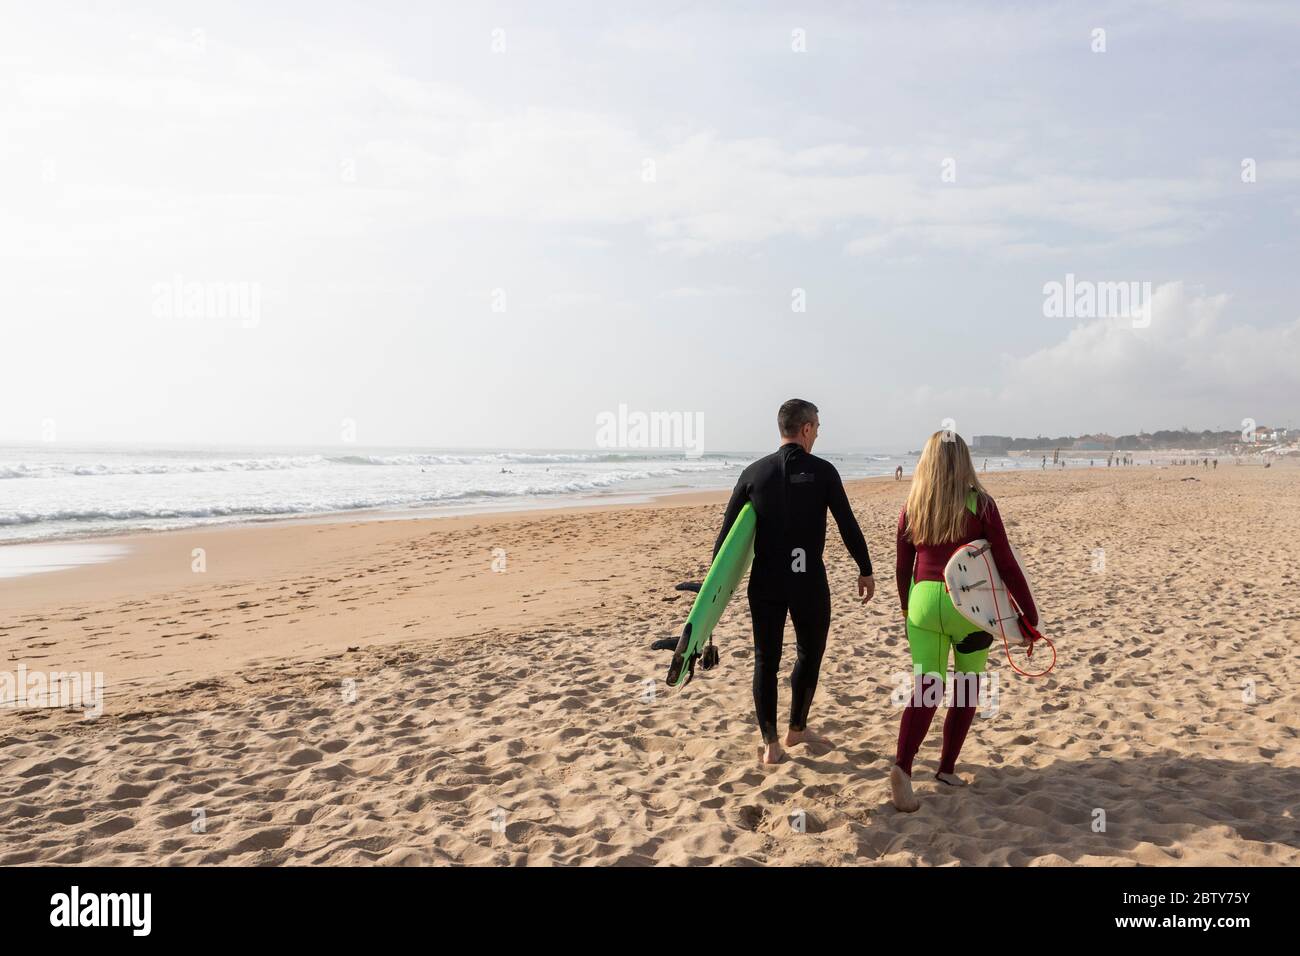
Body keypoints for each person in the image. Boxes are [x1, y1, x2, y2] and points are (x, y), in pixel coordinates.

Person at [713, 399, 875, 764]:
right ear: (805, 429)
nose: (817, 432)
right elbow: (847, 524)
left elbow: (725, 541)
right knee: (809, 655)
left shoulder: (753, 473)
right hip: (809, 583)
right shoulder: (824, 472)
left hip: (765, 583)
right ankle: (797, 728)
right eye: (816, 426)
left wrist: (715, 593)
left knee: (764, 659)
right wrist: (864, 568)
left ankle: (771, 744)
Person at [891, 431, 1038, 812]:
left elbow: (902, 566)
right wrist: (1028, 616)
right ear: (965, 463)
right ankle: (945, 768)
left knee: (928, 687)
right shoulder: (981, 505)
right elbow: (1005, 564)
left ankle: (903, 769)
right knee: (969, 685)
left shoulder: (913, 506)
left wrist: (909, 609)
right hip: (968, 608)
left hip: (924, 603)